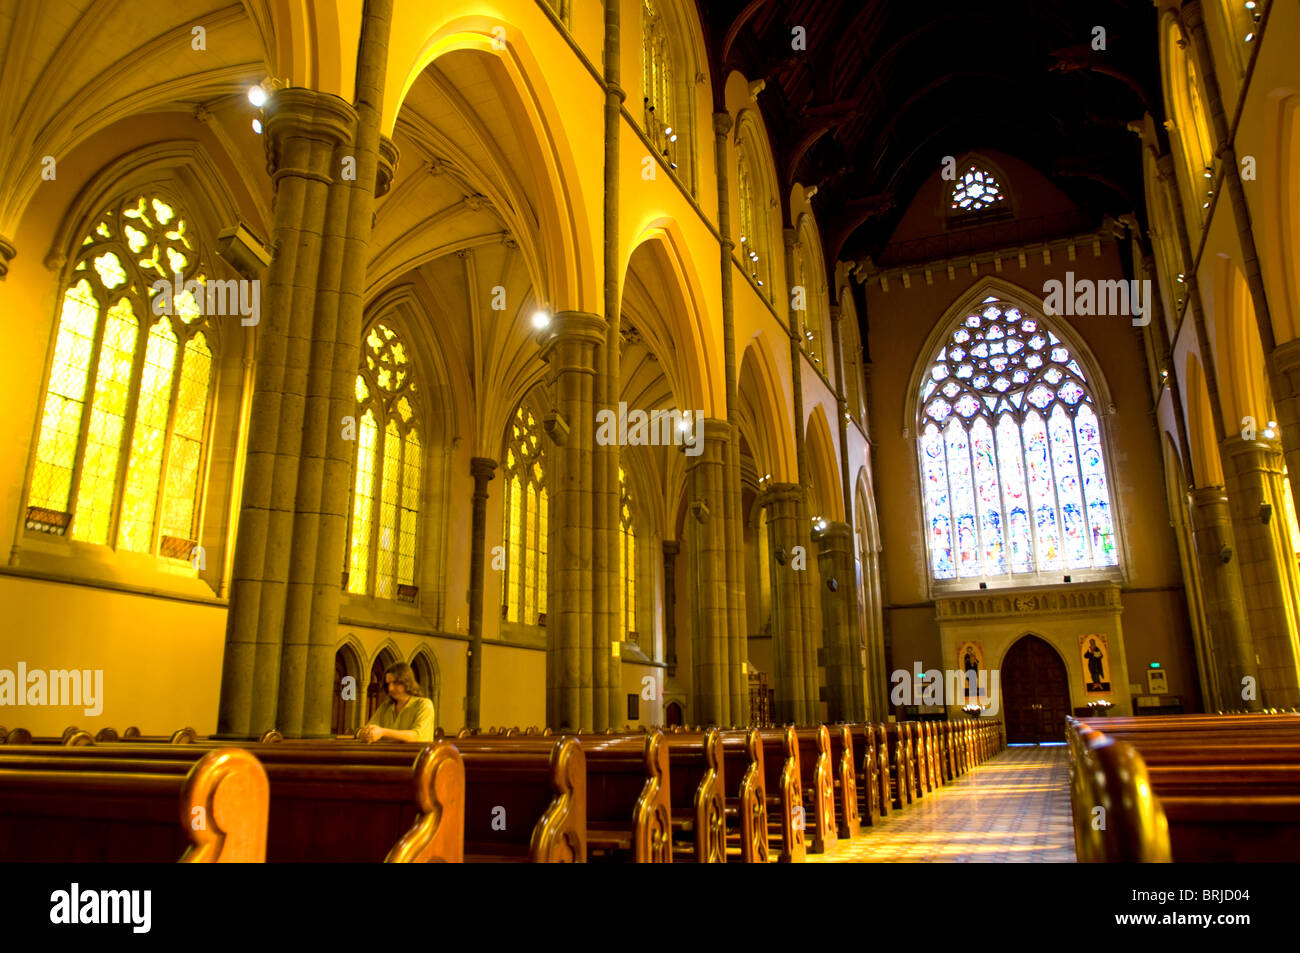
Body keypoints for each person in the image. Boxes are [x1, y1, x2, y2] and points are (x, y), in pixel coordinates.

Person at [357, 662, 435, 743]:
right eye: (388, 684)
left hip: (416, 754)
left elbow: (418, 736)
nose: (390, 688)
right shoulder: (386, 706)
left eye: (395, 683)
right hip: (388, 754)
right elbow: (370, 728)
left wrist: (383, 732)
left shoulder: (424, 704)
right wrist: (364, 733)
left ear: (406, 682)